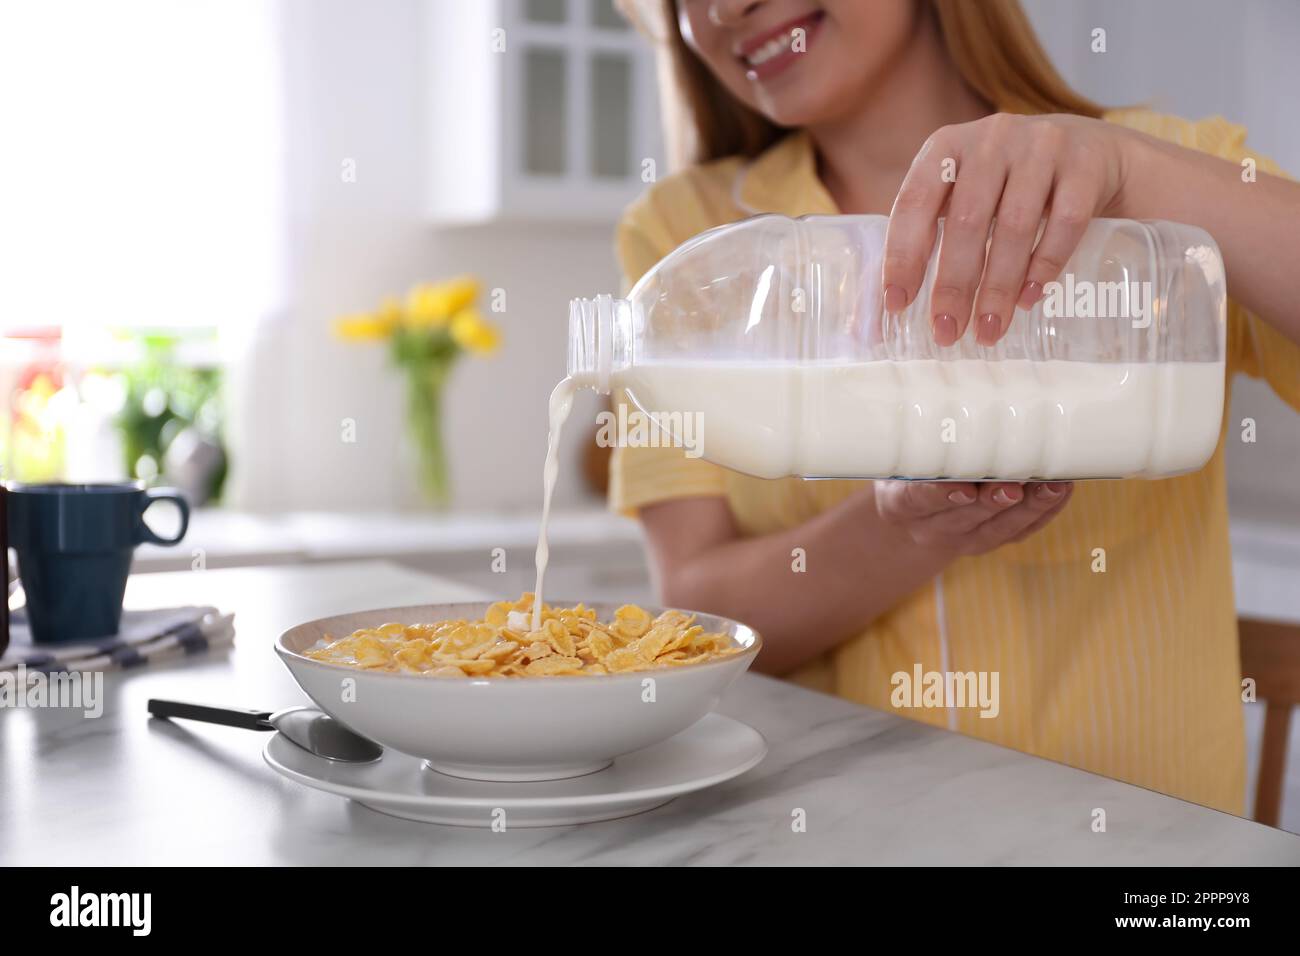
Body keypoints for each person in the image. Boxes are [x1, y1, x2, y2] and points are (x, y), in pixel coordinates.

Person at [610, 0, 1300, 814]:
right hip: (843, 831)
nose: (725, 9)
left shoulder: (1163, 173)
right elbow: (700, 608)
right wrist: (899, 529)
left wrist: (1133, 171)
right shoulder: (686, 228)